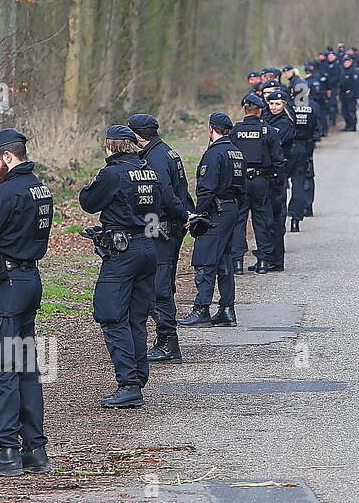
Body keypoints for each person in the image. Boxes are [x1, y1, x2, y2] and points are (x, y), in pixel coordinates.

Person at [78, 124, 183, 408]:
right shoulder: (150, 171)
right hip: (149, 248)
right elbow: (167, 203)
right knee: (137, 316)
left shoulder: (112, 174)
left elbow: (88, 202)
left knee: (111, 315)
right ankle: (137, 378)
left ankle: (128, 383)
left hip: (123, 253)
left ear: (111, 146)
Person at [0, 128, 52, 476]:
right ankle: (34, 450)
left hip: (4, 287)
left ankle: (7, 452)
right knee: (26, 370)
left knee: (0, 370)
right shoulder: (41, 188)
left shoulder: (4, 194)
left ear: (7, 156)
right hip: (30, 281)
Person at [128, 113, 192, 366]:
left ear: (138, 136)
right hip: (169, 226)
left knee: (159, 287)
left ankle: (168, 342)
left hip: (162, 227)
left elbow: (164, 193)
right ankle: (164, 339)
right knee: (162, 284)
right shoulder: (166, 151)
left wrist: (181, 214)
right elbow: (183, 188)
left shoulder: (153, 158)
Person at [180, 112, 246, 328]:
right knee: (224, 260)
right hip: (231, 209)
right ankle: (227, 309)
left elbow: (206, 189)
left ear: (211, 129)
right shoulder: (237, 152)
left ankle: (202, 309)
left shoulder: (214, 154)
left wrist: (197, 214)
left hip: (216, 212)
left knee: (205, 260)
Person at [231, 93, 282, 274]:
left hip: (240, 181)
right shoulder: (268, 131)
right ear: (260, 110)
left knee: (239, 220)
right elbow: (278, 160)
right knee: (262, 220)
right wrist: (279, 184)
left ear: (244, 109)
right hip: (262, 180)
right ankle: (263, 261)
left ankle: (237, 262)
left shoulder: (235, 131)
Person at [263, 89, 295, 263]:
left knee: (276, 216)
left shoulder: (285, 124)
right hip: (264, 174)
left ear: (284, 105)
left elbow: (273, 146)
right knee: (264, 217)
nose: (274, 107)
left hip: (277, 174)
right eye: (271, 103)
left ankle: (276, 258)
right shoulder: (265, 119)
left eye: (278, 104)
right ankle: (266, 255)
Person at [287, 92, 319, 232]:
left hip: (287, 147)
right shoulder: (313, 105)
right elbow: (317, 126)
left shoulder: (288, 106)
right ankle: (296, 218)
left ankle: (281, 217)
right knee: (299, 182)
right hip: (304, 146)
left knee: (281, 184)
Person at [338, 55, 359, 131]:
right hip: (343, 93)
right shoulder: (342, 71)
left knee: (350, 111)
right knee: (344, 111)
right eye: (345, 62)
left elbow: (356, 85)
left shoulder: (354, 71)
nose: (346, 63)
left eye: (347, 62)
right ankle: (347, 125)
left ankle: (352, 126)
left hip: (351, 94)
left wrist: (357, 96)